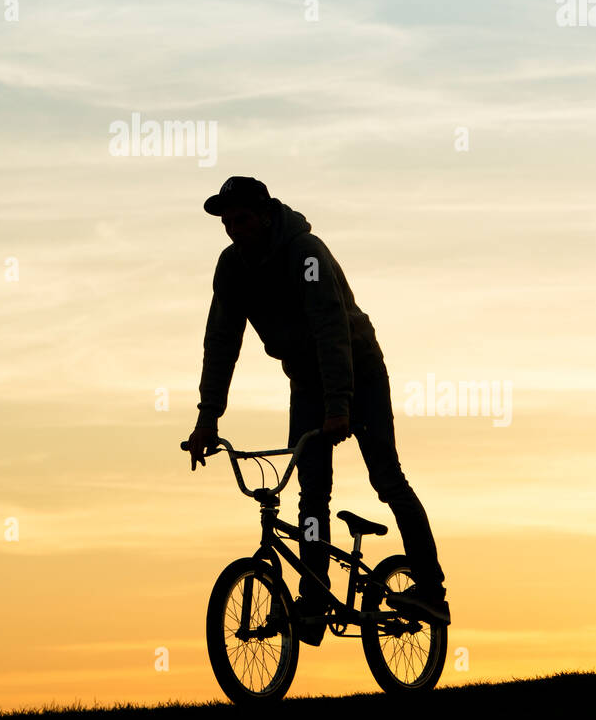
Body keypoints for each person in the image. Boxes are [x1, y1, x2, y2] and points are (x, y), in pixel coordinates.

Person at [186, 176, 449, 643]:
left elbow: (331, 327)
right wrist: (208, 418)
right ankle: (313, 595)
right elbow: (221, 341)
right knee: (312, 494)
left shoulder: (306, 254)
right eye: (225, 221)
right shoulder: (232, 268)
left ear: (265, 215)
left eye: (240, 218)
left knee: (386, 478)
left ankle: (431, 589)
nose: (231, 229)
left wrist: (339, 404)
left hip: (357, 370)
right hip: (307, 383)